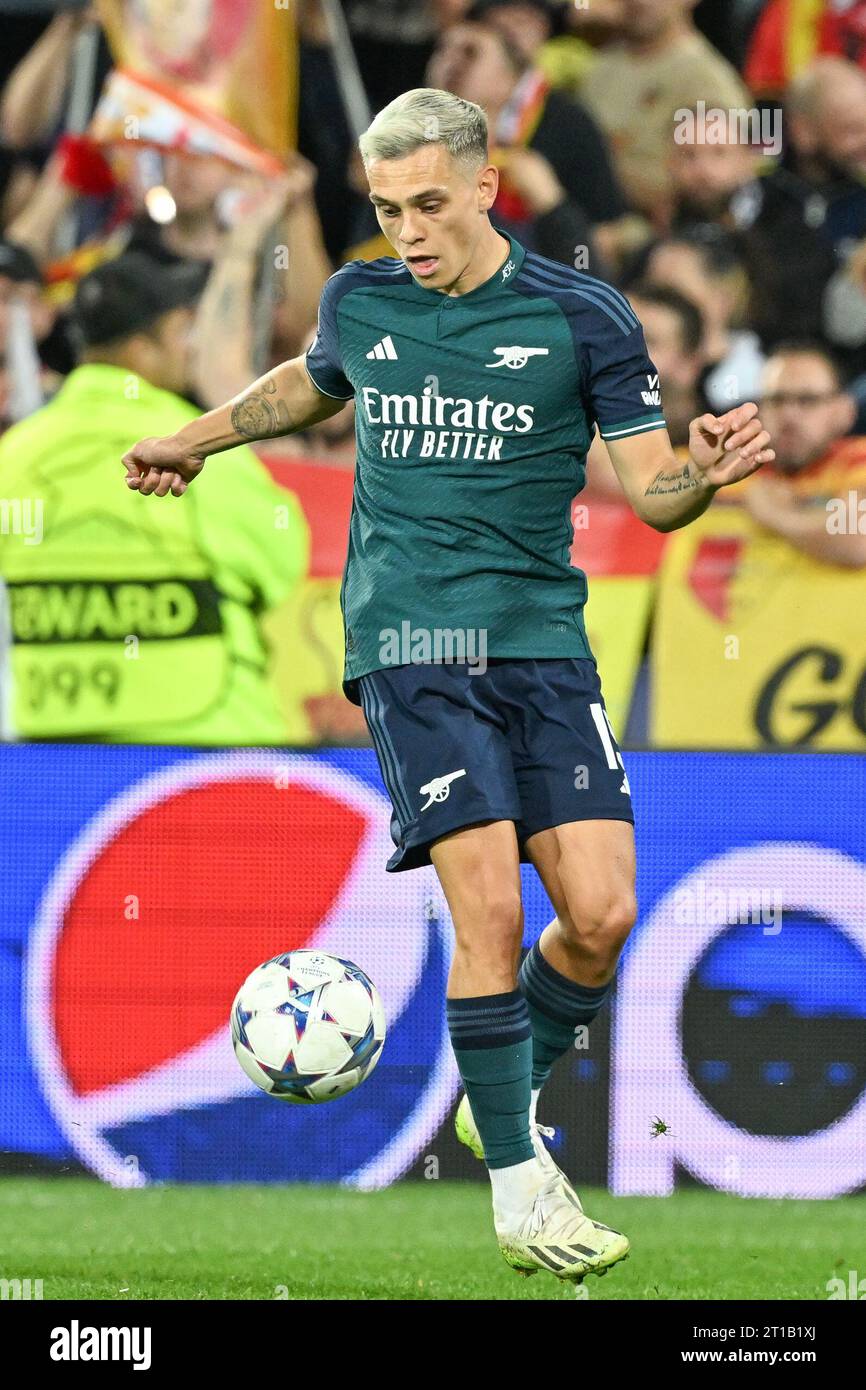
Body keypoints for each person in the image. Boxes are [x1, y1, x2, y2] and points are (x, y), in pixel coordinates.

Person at [121, 87, 773, 1284]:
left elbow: (652, 496)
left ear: (484, 189)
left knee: (600, 914)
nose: (407, 231)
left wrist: (703, 474)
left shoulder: (583, 317)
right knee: (485, 909)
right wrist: (191, 440)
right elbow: (309, 381)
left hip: (541, 642)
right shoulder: (362, 300)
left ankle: (497, 1094)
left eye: (427, 204)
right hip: (410, 645)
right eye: (384, 208)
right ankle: (521, 1185)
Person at [0, 252, 310, 744]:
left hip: (52, 765)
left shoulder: (14, 455)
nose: (189, 347)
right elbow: (282, 562)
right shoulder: (196, 447)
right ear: (142, 350)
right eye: (179, 330)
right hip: (209, 755)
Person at [578, 0, 750, 219]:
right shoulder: (601, 67)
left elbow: (725, 191)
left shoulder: (706, 79)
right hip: (583, 218)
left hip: (664, 233)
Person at [738, 343, 866, 567]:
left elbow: (860, 544)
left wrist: (775, 515)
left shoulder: (859, 460)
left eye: (808, 401)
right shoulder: (728, 468)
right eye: (776, 400)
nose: (789, 415)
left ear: (844, 411)